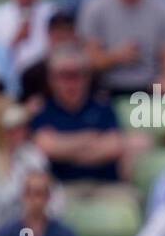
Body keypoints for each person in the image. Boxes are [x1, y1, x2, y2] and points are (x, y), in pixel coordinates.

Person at [29, 47, 124, 184]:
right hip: (60, 190)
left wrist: (63, 148)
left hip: (105, 187)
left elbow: (114, 146)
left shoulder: (102, 106)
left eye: (77, 75)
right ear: (51, 79)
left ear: (87, 78)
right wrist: (90, 137)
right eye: (64, 76)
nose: (71, 83)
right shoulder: (42, 109)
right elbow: (45, 147)